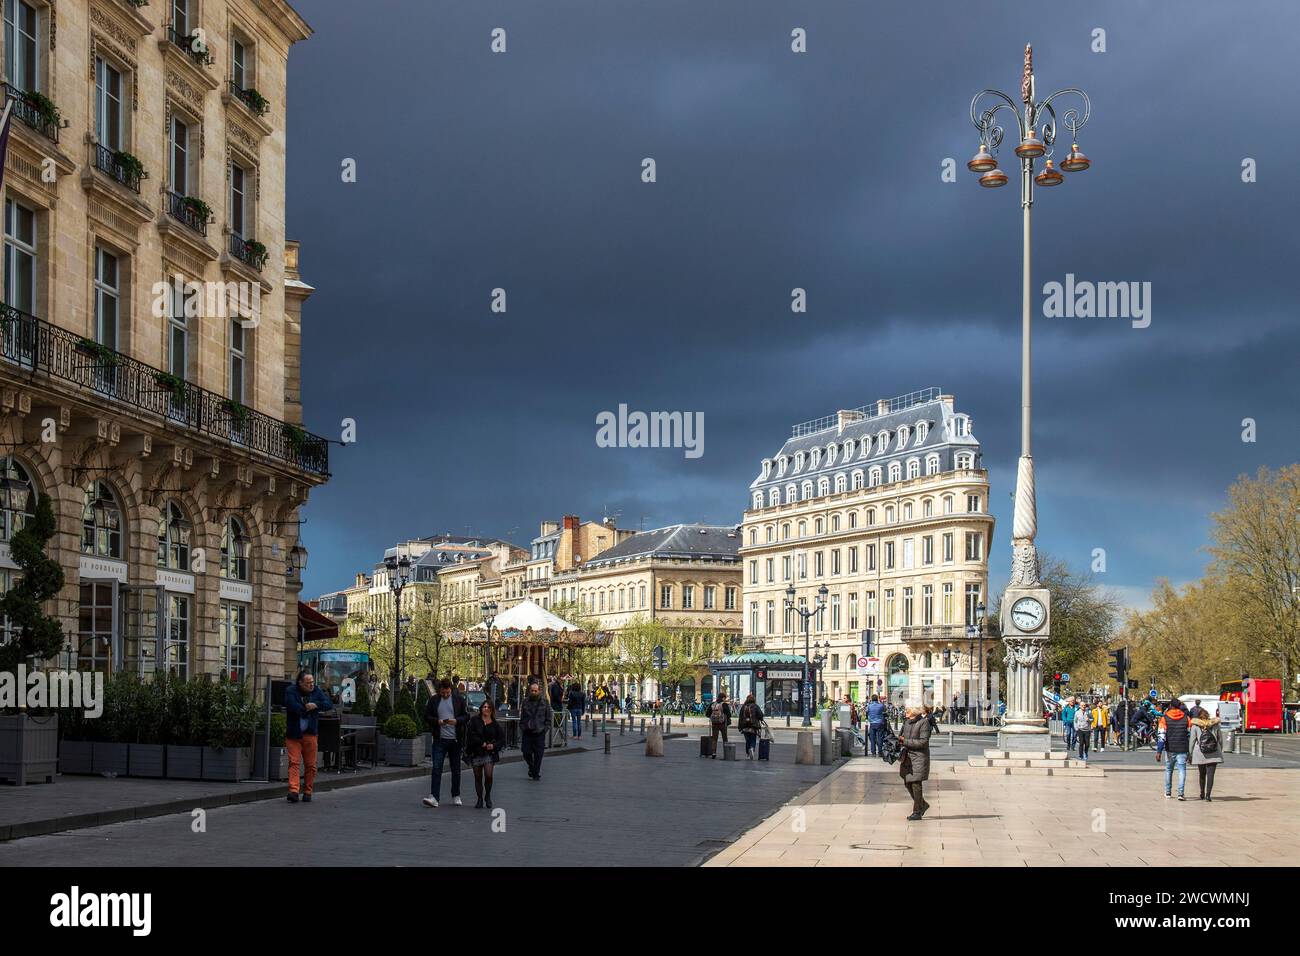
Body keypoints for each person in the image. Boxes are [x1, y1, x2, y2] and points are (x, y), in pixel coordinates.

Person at [284, 669, 333, 803]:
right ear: (300, 683)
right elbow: (291, 705)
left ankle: (307, 791)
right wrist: (307, 708)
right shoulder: (291, 691)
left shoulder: (317, 691)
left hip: (310, 734)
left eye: (312, 682)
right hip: (294, 734)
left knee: (310, 765)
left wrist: (316, 705)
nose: (311, 685)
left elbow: (329, 704)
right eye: (308, 683)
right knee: (294, 762)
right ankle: (293, 791)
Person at [422, 679, 468, 808]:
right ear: (439, 690)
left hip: (455, 740)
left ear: (451, 690)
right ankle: (434, 797)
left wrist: (456, 721)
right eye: (443, 692)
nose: (445, 695)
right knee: (437, 768)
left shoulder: (458, 699)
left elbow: (466, 716)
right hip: (440, 739)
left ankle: (456, 795)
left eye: (447, 692)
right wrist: (437, 721)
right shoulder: (434, 700)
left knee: (456, 769)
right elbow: (426, 716)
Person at [464, 699, 505, 808]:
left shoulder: (495, 724)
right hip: (476, 752)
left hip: (489, 753)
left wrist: (494, 746)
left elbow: (501, 739)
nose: (486, 709)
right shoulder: (474, 720)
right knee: (478, 777)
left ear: (492, 710)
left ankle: (488, 795)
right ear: (481, 708)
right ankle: (479, 799)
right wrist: (481, 743)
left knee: (488, 775)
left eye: (488, 707)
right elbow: (470, 735)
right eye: (484, 707)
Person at [899, 699, 932, 820]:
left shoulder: (924, 723)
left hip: (919, 757)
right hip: (907, 757)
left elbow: (924, 742)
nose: (906, 711)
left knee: (916, 784)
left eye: (908, 709)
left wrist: (905, 741)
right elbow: (901, 737)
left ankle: (917, 811)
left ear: (914, 711)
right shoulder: (907, 722)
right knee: (907, 782)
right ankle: (923, 804)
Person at [1159, 697, 1192, 800]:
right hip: (1183, 748)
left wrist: (1159, 751)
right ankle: (1180, 794)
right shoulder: (1186, 718)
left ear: (1170, 706)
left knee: (1169, 769)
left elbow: (1161, 736)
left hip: (1170, 748)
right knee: (1182, 770)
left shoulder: (1164, 718)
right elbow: (1189, 734)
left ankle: (1168, 792)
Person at [520, 680, 552, 781]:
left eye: (535, 691)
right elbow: (522, 716)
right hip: (527, 731)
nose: (533, 692)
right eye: (532, 691)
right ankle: (531, 766)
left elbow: (548, 718)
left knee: (539, 754)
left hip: (539, 732)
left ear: (539, 691)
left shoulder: (544, 702)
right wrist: (523, 726)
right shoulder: (525, 701)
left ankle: (535, 773)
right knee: (526, 752)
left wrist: (544, 729)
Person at [1189, 712, 1224, 801]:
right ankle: (1208, 795)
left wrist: (1190, 753)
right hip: (1214, 752)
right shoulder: (1215, 725)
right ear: (1208, 716)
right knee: (1211, 775)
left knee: (1202, 774)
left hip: (1200, 753)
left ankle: (1202, 793)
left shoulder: (1195, 726)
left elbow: (1192, 741)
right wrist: (1220, 749)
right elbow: (1220, 739)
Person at [738, 693, 764, 759]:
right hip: (753, 726)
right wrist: (760, 719)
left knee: (747, 740)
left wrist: (740, 727)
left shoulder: (743, 707)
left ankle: (748, 754)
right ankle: (752, 748)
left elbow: (740, 717)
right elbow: (760, 715)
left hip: (745, 726)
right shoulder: (755, 706)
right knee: (753, 739)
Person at [708, 691, 732, 758]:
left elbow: (707, 714)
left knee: (714, 739)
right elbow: (729, 714)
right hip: (723, 723)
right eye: (725, 698)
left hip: (714, 723)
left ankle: (713, 753)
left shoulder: (712, 704)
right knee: (725, 738)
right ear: (723, 698)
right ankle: (726, 753)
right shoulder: (724, 704)